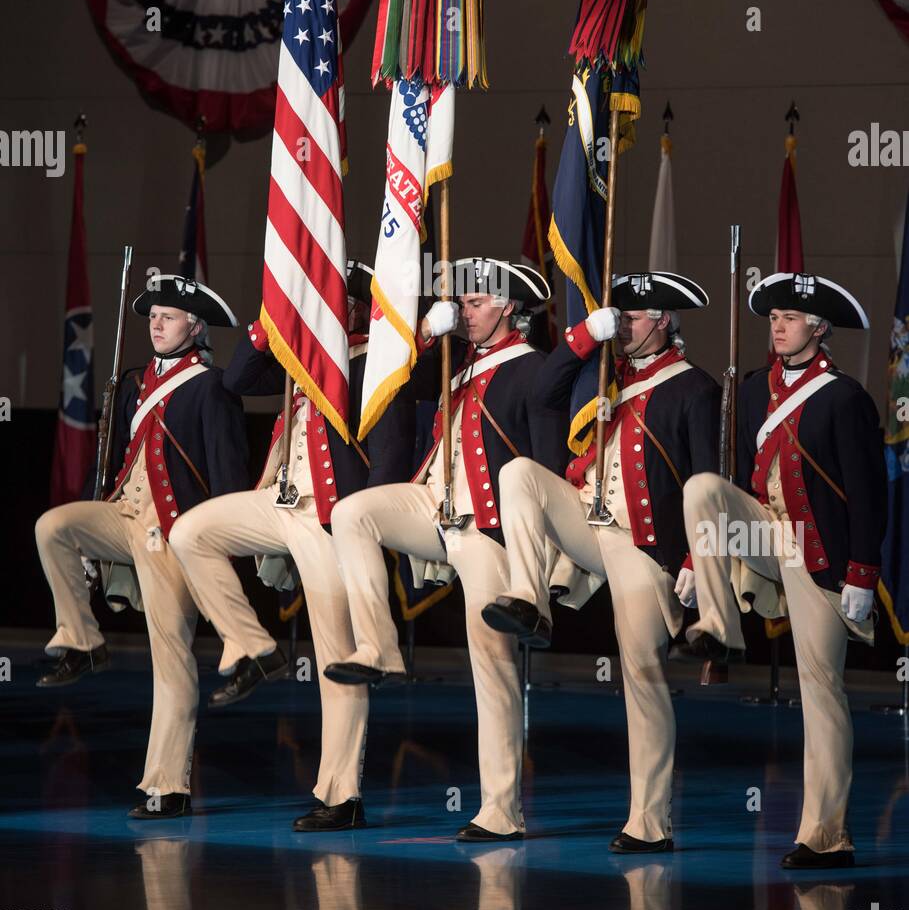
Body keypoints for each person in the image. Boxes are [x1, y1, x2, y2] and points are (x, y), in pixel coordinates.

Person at [168, 261, 415, 833]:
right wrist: (269, 320)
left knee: (337, 659)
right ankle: (254, 646)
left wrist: (368, 539)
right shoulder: (301, 357)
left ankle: (341, 793)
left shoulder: (374, 365)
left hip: (332, 522)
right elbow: (237, 381)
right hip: (280, 503)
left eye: (336, 301)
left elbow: (393, 459)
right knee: (192, 532)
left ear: (356, 308)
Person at [325, 258, 568, 841]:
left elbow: (547, 469)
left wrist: (541, 560)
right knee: (351, 511)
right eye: (462, 303)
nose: (466, 312)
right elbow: (389, 385)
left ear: (509, 308)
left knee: (492, 664)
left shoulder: (533, 370)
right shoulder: (453, 364)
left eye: (478, 303)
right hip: (435, 508)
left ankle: (501, 810)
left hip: (489, 532)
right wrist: (427, 332)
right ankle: (379, 648)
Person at [484, 271, 720, 853]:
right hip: (592, 531)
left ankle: (649, 821)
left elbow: (707, 478)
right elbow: (541, 393)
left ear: (663, 321)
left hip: (645, 548)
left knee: (641, 675)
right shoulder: (606, 375)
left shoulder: (695, 388)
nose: (626, 327)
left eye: (634, 319)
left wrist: (696, 555)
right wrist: (585, 337)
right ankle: (529, 598)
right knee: (518, 474)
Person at [680, 271, 886, 869]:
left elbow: (870, 495)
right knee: (702, 486)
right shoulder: (748, 391)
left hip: (820, 554)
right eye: (773, 318)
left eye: (791, 318)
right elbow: (735, 481)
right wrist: (703, 554)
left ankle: (825, 836)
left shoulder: (846, 398)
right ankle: (720, 627)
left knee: (821, 691)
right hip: (766, 536)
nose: (778, 326)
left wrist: (863, 573)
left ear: (819, 330)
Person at [35, 275, 249, 819]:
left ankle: (167, 785)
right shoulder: (131, 382)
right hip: (124, 516)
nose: (156, 323)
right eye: (152, 315)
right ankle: (81, 639)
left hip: (173, 532)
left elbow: (228, 476)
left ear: (195, 327)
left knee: (170, 655)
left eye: (169, 316)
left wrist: (218, 552)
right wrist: (87, 544)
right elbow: (108, 464)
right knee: (54, 526)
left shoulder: (212, 386)